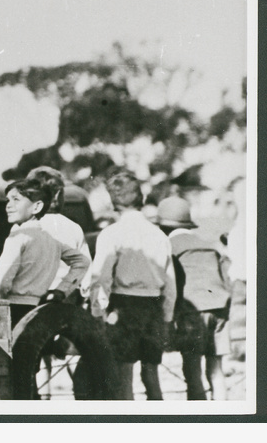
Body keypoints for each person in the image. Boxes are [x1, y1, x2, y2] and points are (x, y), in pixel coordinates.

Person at [83, 171, 176, 400]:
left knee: (123, 376)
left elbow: (101, 277)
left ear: (113, 201)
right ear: (140, 198)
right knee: (151, 374)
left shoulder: (111, 234)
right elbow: (170, 282)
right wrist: (166, 316)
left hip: (123, 306)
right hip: (153, 307)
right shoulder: (159, 235)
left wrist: (97, 312)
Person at [0, 177, 89, 328]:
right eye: (8, 200)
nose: (8, 206)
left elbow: (1, 282)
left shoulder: (19, 235)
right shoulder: (52, 240)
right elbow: (82, 262)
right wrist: (61, 290)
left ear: (37, 207)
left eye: (16, 200)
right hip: (36, 310)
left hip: (10, 310)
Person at [156, 196, 231, 400]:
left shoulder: (168, 246)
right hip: (220, 309)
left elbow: (168, 285)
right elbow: (227, 279)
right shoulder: (209, 244)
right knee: (216, 369)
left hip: (192, 313)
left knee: (193, 370)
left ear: (163, 226)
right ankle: (222, 415)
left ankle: (198, 418)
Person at [28, 166, 92, 295]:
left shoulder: (24, 226)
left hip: (30, 296)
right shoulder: (73, 227)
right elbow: (87, 271)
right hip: (65, 295)